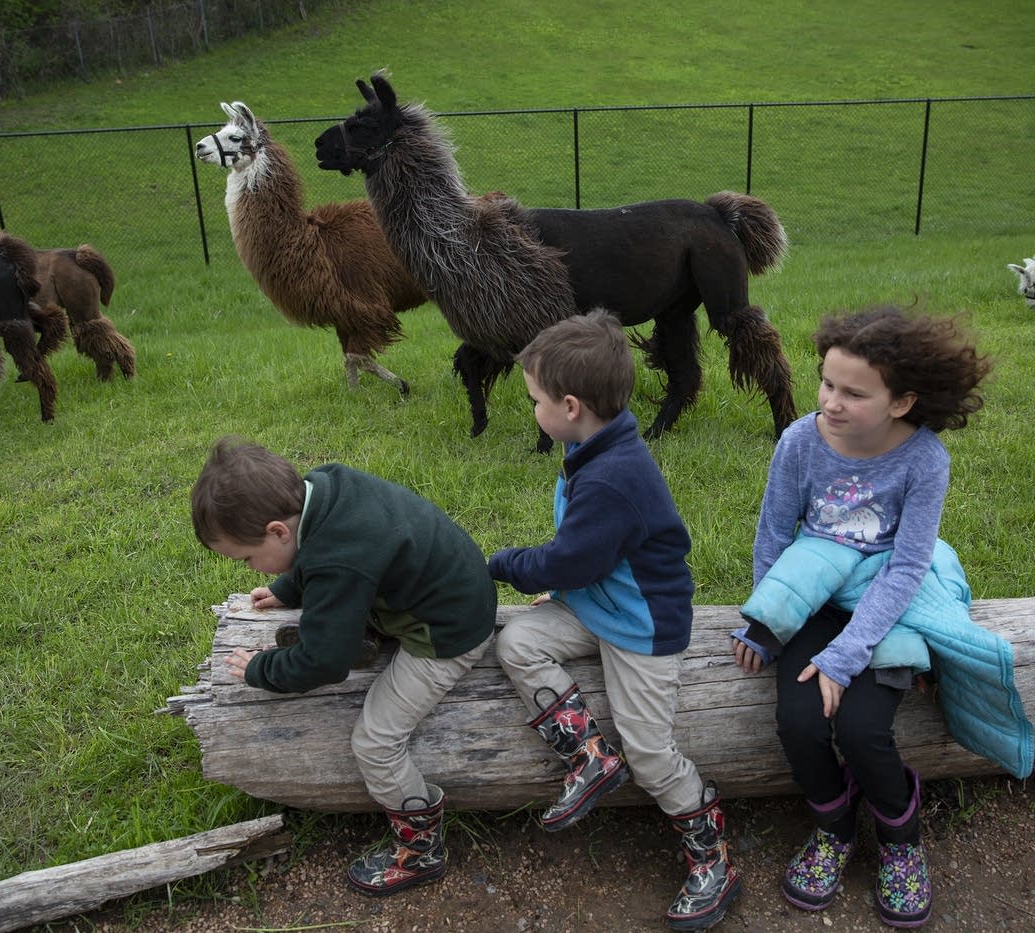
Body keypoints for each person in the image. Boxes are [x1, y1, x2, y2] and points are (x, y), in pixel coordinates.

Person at [731, 305, 995, 928]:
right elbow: (773, 536)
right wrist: (769, 623)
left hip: (883, 601)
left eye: (854, 392)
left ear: (901, 402)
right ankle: (834, 826)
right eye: (827, 383)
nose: (831, 401)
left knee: (862, 729)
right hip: (814, 592)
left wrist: (847, 656)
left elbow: (907, 567)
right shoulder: (800, 441)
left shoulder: (924, 459)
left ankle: (901, 844)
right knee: (798, 722)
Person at [488, 310, 741, 932]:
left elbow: (570, 555)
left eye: (535, 400)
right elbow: (581, 556)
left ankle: (713, 857)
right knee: (517, 638)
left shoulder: (613, 476)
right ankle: (589, 755)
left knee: (651, 751)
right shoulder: (591, 445)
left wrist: (501, 564)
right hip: (596, 601)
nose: (533, 410)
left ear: (570, 405)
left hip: (642, 627)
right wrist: (564, 588)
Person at [191, 437, 497, 896]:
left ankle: (422, 849)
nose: (251, 568)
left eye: (247, 557)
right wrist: (292, 589)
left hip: (447, 633)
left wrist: (262, 669)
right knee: (332, 619)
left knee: (375, 741)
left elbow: (324, 663)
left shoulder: (338, 559)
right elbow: (325, 554)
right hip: (435, 591)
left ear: (278, 531)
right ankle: (347, 627)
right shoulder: (324, 487)